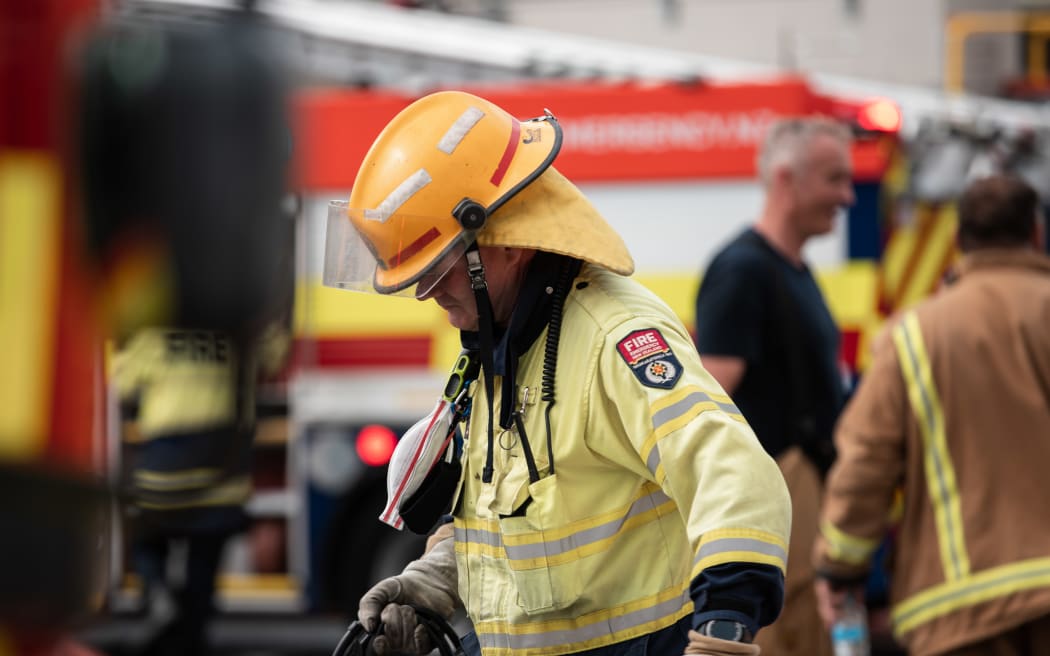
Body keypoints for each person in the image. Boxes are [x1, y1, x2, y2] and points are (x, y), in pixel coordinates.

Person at [325, 90, 792, 656]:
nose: (428, 293)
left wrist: (723, 633)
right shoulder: (500, 347)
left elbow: (735, 476)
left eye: (439, 266)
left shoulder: (612, 337)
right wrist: (438, 579)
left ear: (506, 239)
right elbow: (514, 517)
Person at [812, 173, 1050, 656]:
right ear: (1036, 234)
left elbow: (866, 463)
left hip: (962, 609)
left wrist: (840, 566)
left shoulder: (913, 337)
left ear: (959, 241)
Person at [692, 116, 856, 656]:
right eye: (834, 178)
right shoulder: (742, 270)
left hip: (804, 500)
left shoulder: (790, 270)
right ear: (786, 179)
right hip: (780, 504)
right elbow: (703, 409)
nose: (848, 196)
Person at [113, 323, 288, 656]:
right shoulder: (237, 332)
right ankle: (192, 634)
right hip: (221, 475)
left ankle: (157, 593)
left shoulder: (156, 336)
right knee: (204, 557)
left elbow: (122, 382)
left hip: (166, 472)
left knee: (144, 534)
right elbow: (274, 356)